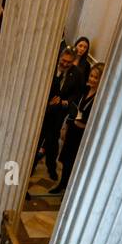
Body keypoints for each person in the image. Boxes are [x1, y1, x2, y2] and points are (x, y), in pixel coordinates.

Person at [49, 63, 104, 195]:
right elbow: (74, 108)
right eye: (91, 76)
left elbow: (99, 120)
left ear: (102, 79)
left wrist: (85, 126)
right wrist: (66, 126)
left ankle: (70, 190)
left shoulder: (101, 97)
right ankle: (62, 184)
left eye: (96, 77)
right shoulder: (85, 90)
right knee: (66, 160)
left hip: (84, 135)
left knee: (76, 163)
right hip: (73, 130)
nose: (92, 79)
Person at [36, 48, 82, 180]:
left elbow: (77, 94)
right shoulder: (50, 68)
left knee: (52, 142)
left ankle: (51, 168)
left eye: (69, 62)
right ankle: (30, 168)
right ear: (60, 58)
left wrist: (66, 102)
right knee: (37, 141)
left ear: (73, 61)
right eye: (63, 61)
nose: (65, 64)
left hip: (59, 115)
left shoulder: (77, 74)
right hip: (44, 111)